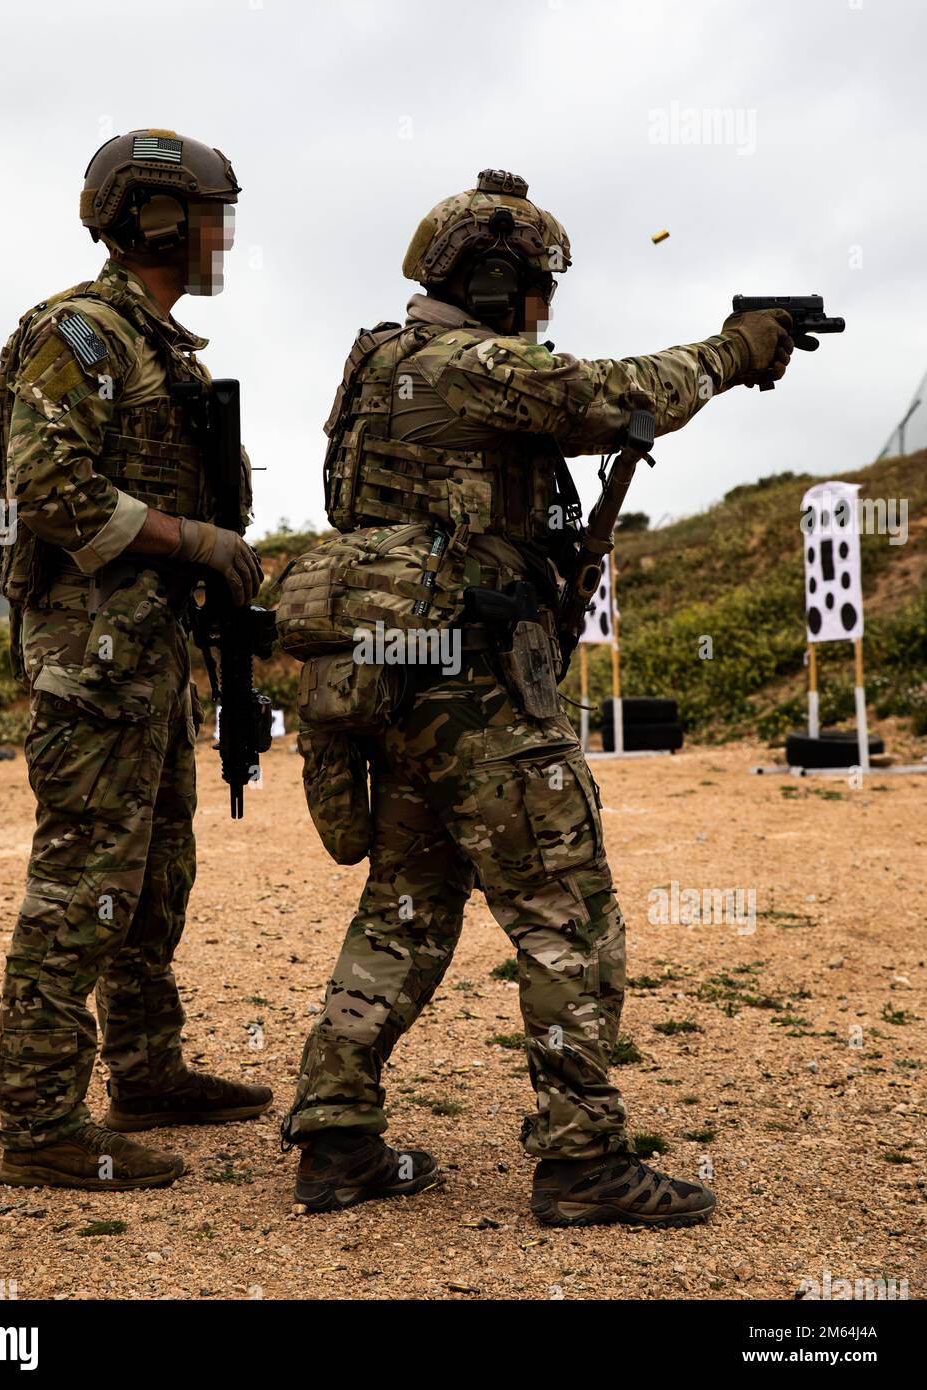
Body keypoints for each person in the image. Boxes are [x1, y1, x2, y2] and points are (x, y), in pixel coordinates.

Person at [278, 168, 796, 1225]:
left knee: (406, 907)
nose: (544, 311)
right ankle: (579, 1158)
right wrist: (738, 348)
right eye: (536, 288)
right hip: (474, 687)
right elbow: (621, 396)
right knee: (569, 915)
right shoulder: (468, 364)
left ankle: (335, 1135)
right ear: (494, 278)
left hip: (396, 679)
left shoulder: (377, 360)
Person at [0, 129, 270, 1191]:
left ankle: (146, 1070)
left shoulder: (157, 349)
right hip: (92, 663)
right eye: (206, 214)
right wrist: (195, 541)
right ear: (154, 219)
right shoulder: (83, 335)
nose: (220, 235)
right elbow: (47, 489)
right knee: (82, 881)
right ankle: (41, 1121)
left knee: (152, 877)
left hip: (148, 661)